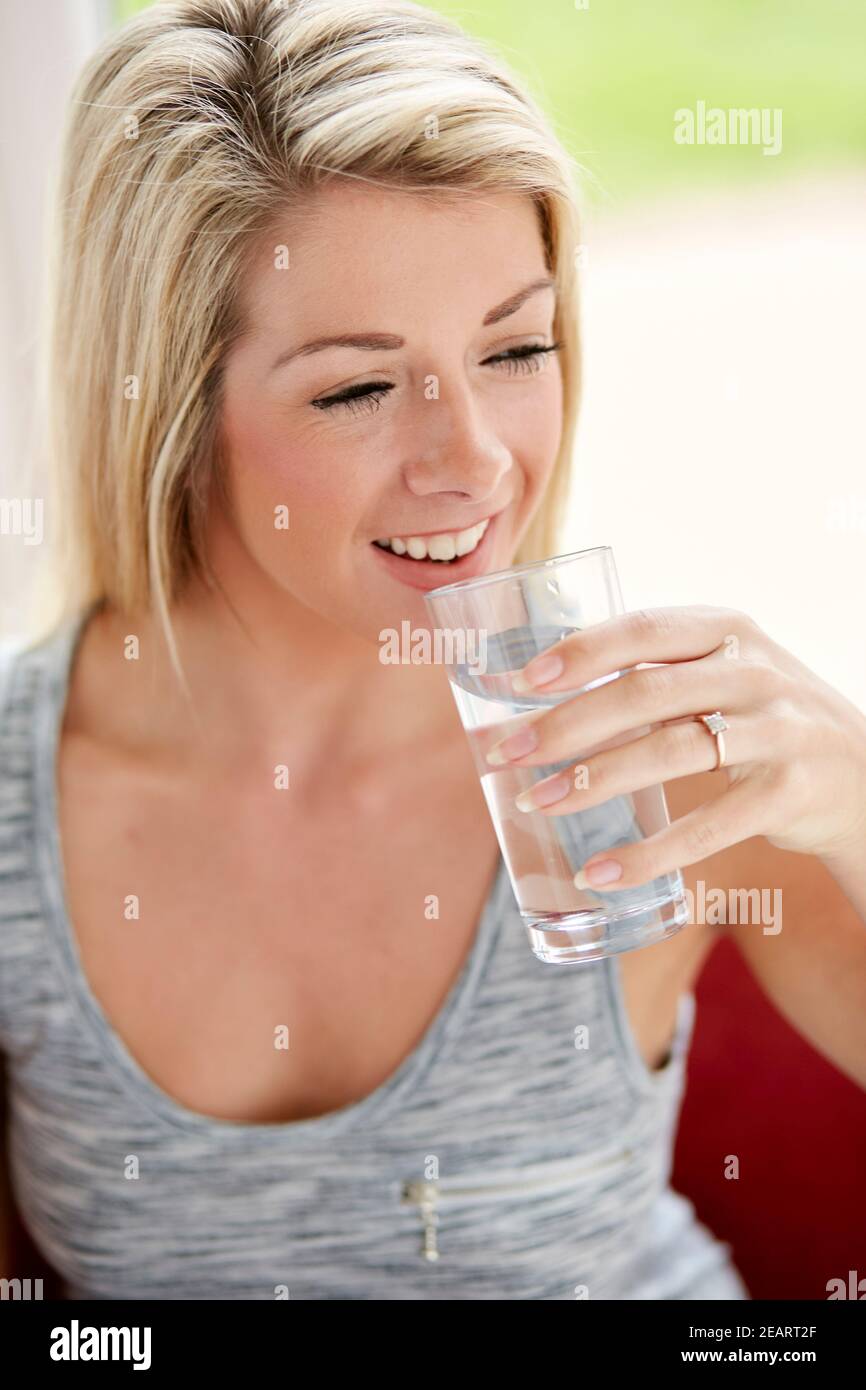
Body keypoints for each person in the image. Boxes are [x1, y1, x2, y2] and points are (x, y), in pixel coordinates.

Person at [1, 0, 864, 1301]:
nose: (474, 461)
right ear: (175, 406)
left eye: (514, 348)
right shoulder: (23, 806)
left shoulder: (654, 755)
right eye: (355, 387)